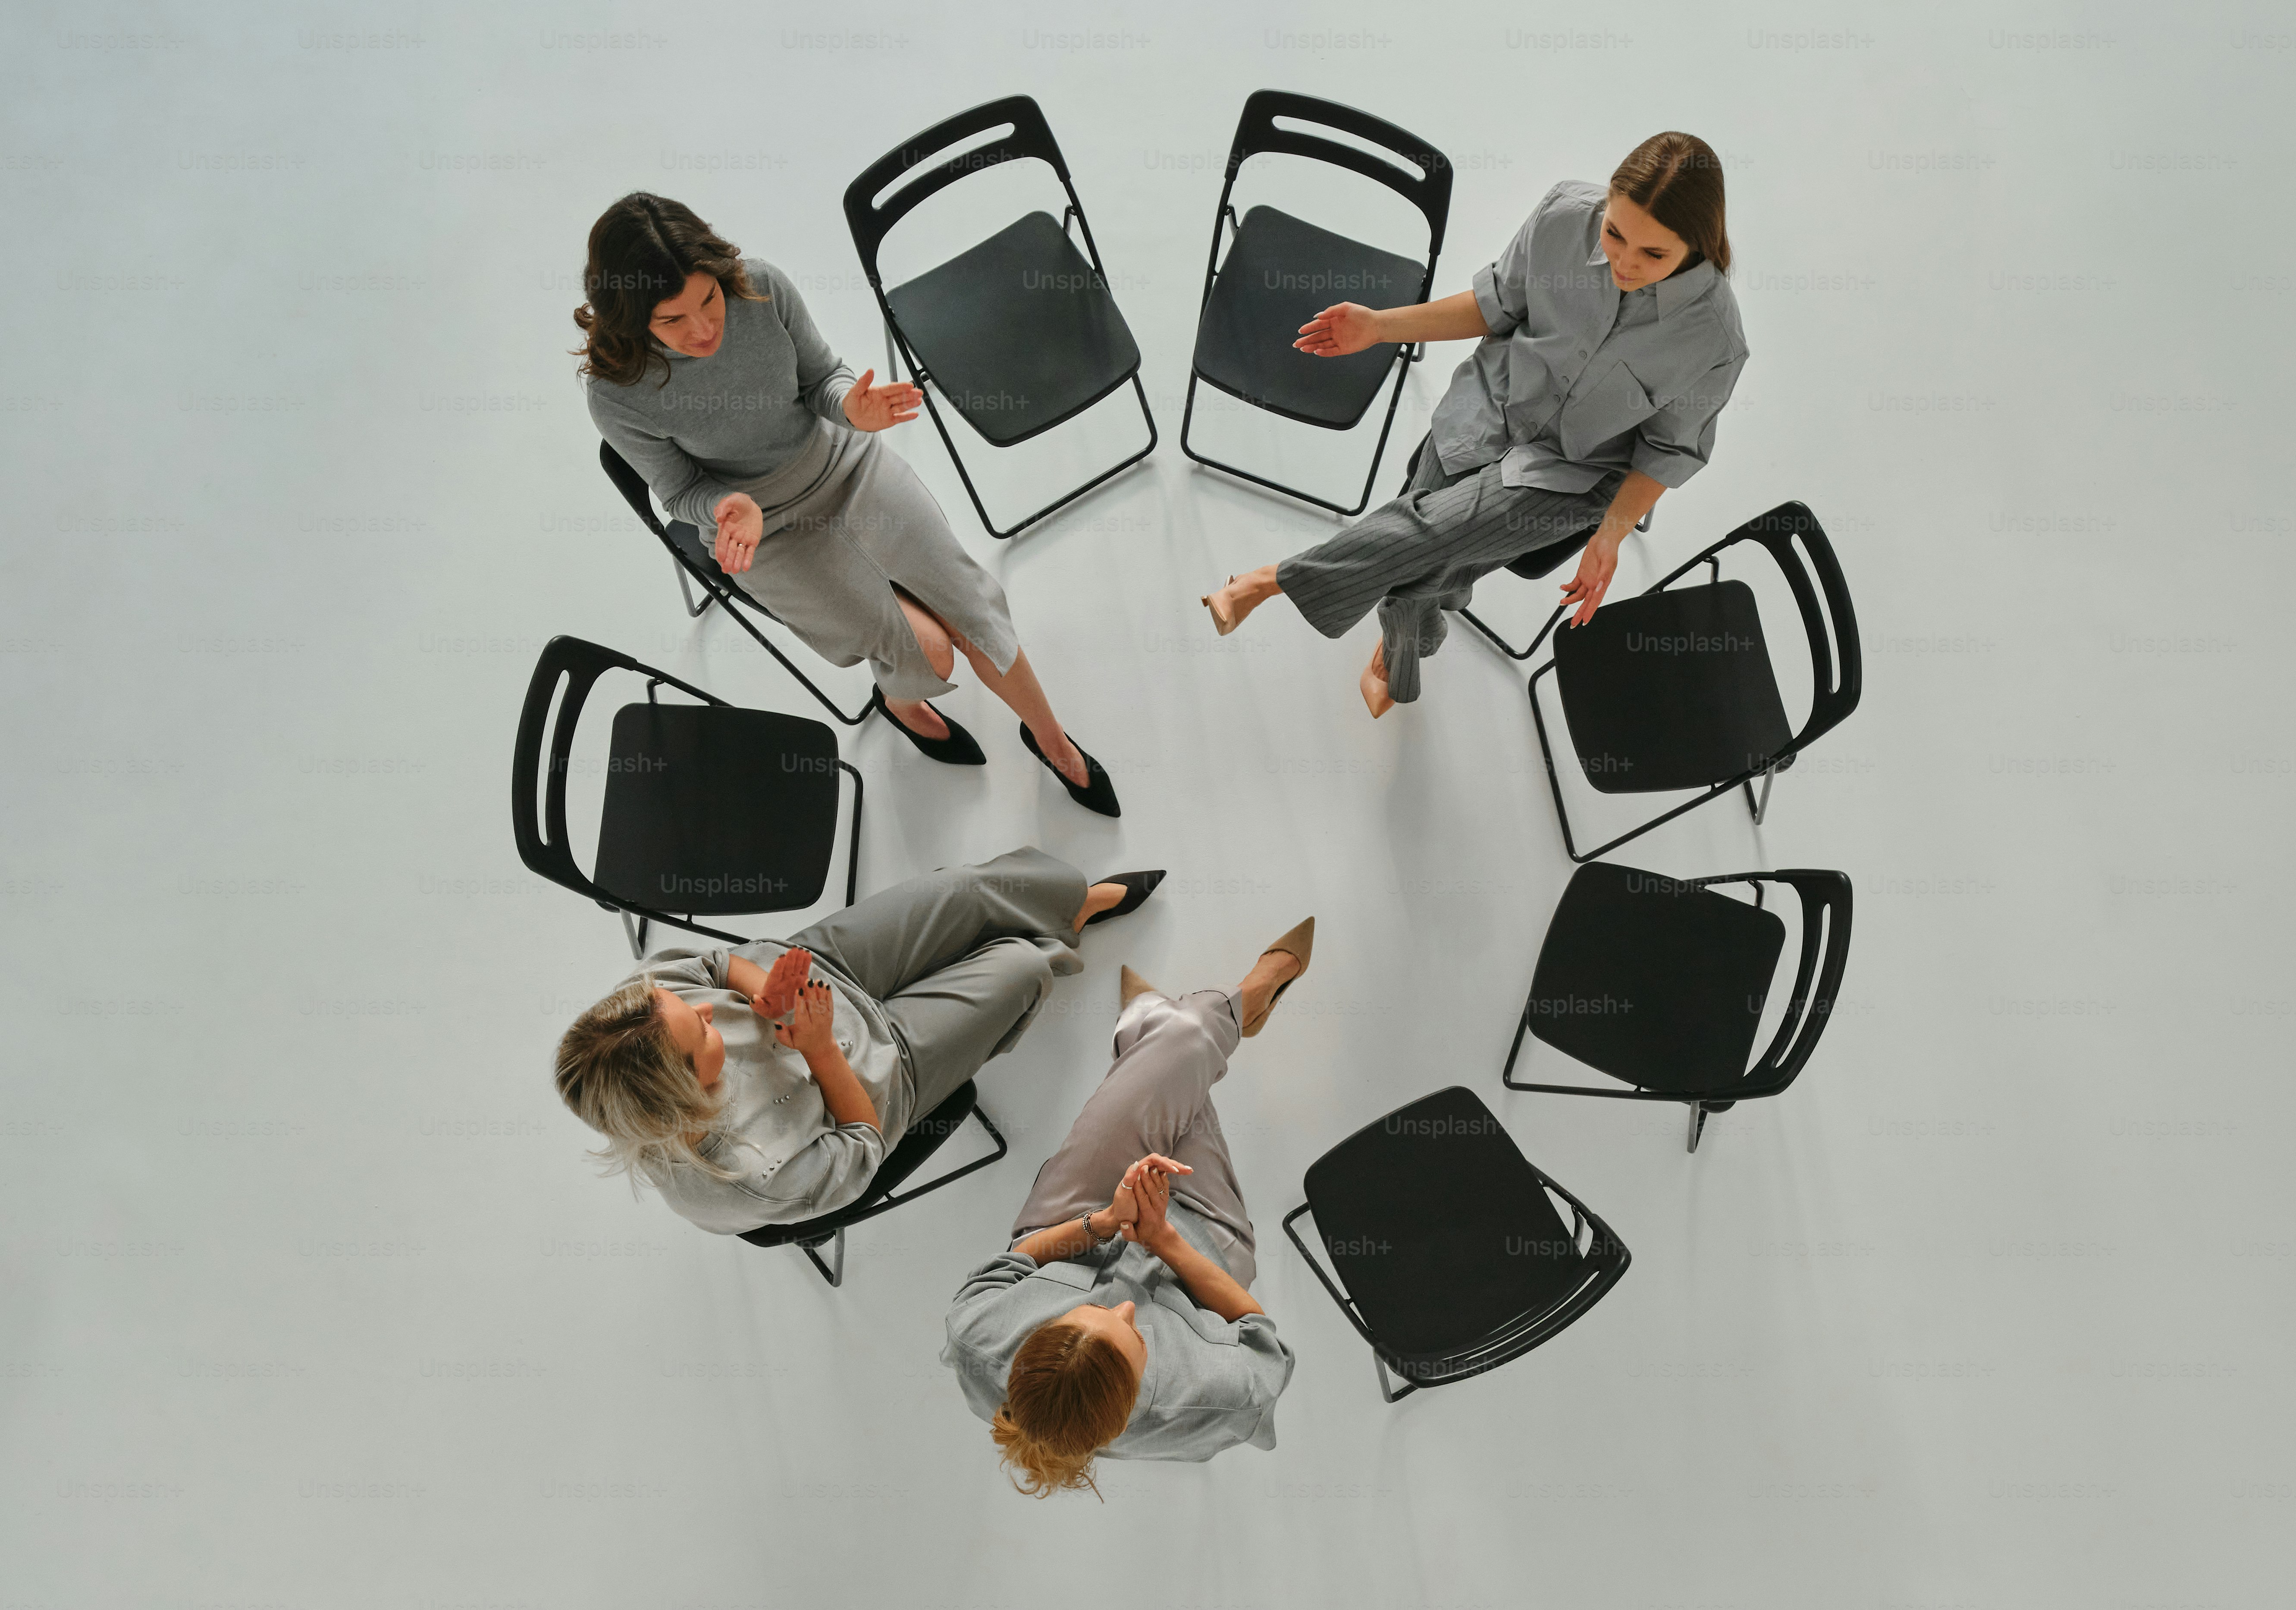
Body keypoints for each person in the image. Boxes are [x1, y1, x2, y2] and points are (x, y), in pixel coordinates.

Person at [576, 193, 1121, 816]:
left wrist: (850, 407)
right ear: (629, 318)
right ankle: (900, 703)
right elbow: (677, 492)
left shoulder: (762, 289)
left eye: (708, 300)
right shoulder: (617, 393)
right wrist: (729, 505)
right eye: (673, 320)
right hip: (766, 531)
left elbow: (821, 379)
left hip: (847, 465)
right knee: (929, 650)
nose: (703, 329)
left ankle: (1053, 743)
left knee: (972, 606)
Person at [1201, 132, 1749, 717]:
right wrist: (1379, 327)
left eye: (1653, 255)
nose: (1624, 262)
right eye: (1615, 234)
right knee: (1424, 556)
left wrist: (1611, 533)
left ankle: (1272, 580)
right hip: (1491, 403)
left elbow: (1667, 455)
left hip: (1574, 473)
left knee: (1428, 538)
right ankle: (1406, 654)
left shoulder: (1714, 340)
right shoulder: (1566, 215)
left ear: (1697, 243)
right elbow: (1493, 307)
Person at [552, 850, 1163, 1234]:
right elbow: (864, 1145)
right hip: (888, 1070)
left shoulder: (641, 1011)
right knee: (1023, 969)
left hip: (822, 966)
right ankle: (1061, 934)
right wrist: (819, 1049)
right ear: (684, 1098)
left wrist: (769, 993)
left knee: (968, 889)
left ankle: (1072, 905)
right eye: (704, 1031)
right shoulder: (746, 1177)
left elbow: (714, 966)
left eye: (689, 1009)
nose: (709, 1013)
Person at [941, 920, 1315, 1495]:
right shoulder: (1218, 1399)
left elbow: (1018, 1260)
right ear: (1142, 1392)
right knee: (1180, 1042)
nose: (1123, 1307)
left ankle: (1162, 1026)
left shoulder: (978, 1339)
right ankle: (1203, 1011)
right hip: (1205, 1242)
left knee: (1177, 1043)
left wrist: (1107, 1223)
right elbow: (1255, 1326)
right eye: (1136, 1337)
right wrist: (1164, 1239)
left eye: (1083, 1311)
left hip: (1080, 1215)